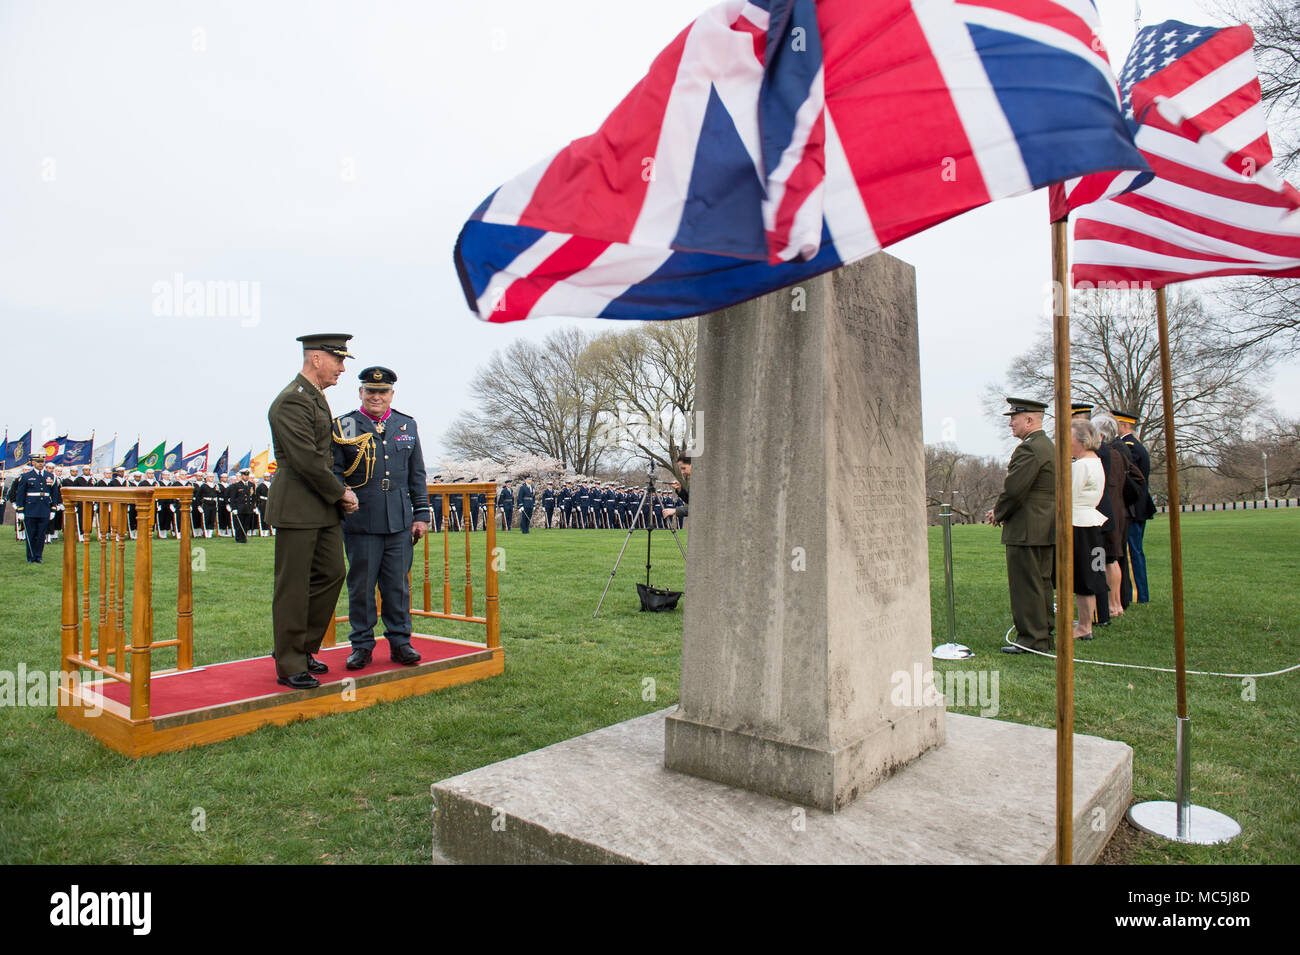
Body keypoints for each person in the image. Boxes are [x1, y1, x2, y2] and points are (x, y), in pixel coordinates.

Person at [267, 333, 359, 689]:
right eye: (338, 360)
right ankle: (289, 662)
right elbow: (306, 459)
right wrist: (341, 493)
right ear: (317, 358)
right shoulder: (293, 400)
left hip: (319, 505)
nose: (342, 369)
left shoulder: (315, 398)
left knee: (333, 573)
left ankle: (303, 647)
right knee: (292, 585)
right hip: (298, 505)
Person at [332, 365, 431, 670]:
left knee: (397, 585)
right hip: (361, 519)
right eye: (370, 391)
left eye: (382, 392)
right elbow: (334, 470)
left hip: (400, 520)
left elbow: (417, 474)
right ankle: (361, 644)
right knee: (361, 587)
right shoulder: (346, 424)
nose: (376, 397)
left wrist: (421, 514)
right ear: (360, 392)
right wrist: (342, 493)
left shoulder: (406, 425)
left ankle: (401, 642)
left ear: (391, 394)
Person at [985, 398, 1055, 654]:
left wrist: (999, 513)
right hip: (1044, 526)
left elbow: (1015, 489)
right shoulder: (1047, 446)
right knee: (1042, 582)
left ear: (1029, 419)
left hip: (1026, 528)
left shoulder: (1030, 449)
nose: (1010, 424)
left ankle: (1031, 640)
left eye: (1014, 418)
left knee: (1026, 586)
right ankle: (1044, 635)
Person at [1069, 418, 1108, 640]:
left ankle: (1084, 625)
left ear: (1080, 440)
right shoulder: (1096, 461)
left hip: (1080, 525)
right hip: (1092, 524)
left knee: (1085, 576)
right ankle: (1086, 623)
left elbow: (1068, 497)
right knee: (1092, 573)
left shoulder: (1082, 465)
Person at [1115, 409, 1155, 603]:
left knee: (1132, 552)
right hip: (1139, 505)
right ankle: (1140, 593)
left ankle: (1139, 594)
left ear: (1124, 425)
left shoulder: (1129, 446)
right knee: (1134, 550)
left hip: (1134, 507)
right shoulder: (1134, 445)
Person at [12, 453, 61, 563]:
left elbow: (54, 494)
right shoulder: (25, 476)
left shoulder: (51, 476)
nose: (40, 464)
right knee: (31, 534)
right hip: (30, 509)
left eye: (42, 462)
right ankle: (31, 557)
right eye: (38, 462)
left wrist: (53, 509)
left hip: (44, 509)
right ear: (33, 463)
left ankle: (38, 556)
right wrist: (20, 510)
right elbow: (20, 494)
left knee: (41, 534)